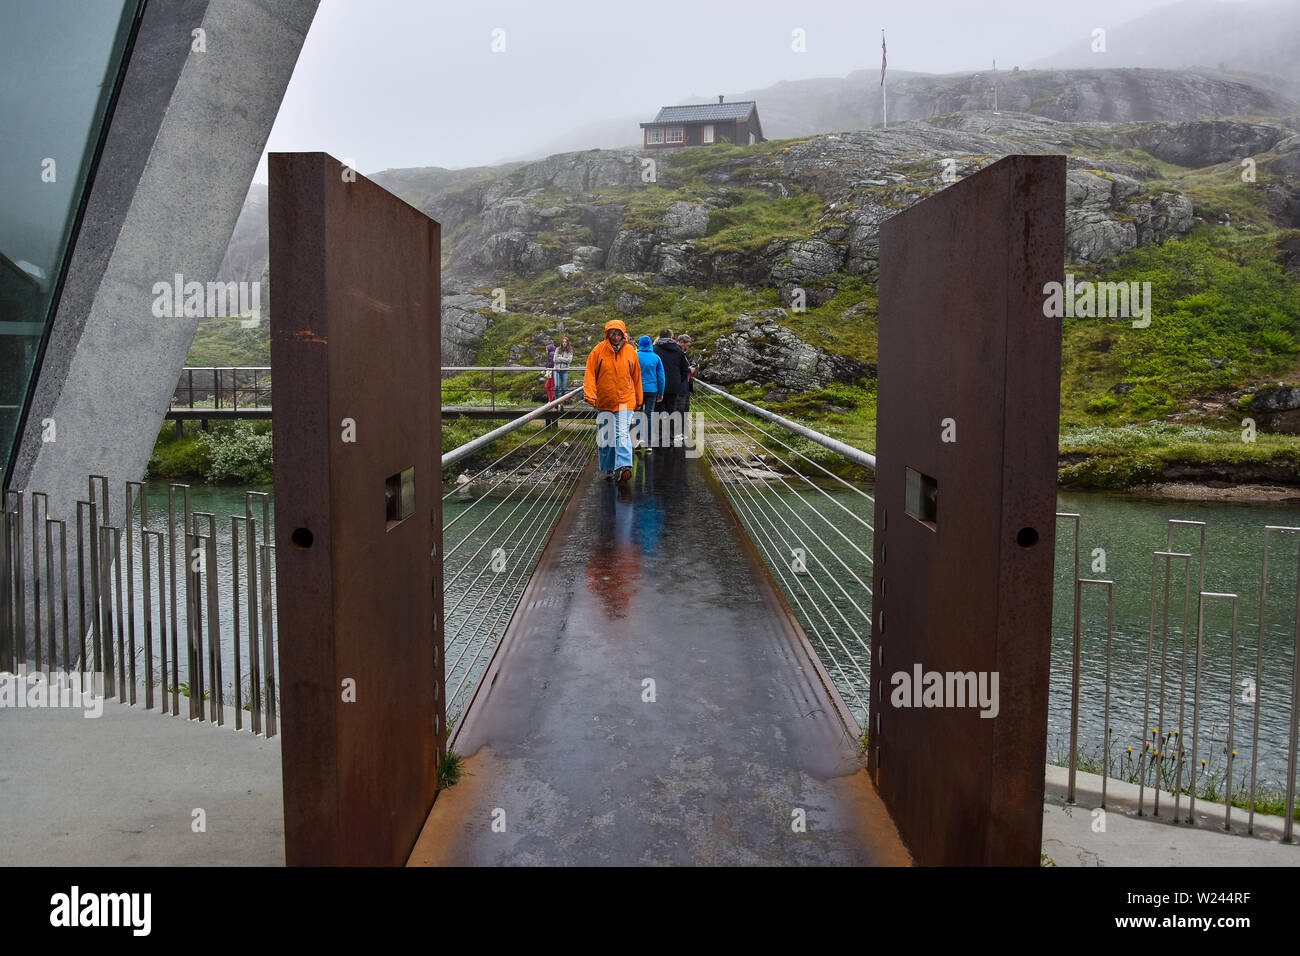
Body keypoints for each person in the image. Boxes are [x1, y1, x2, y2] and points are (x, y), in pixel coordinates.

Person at [583, 318, 642, 483]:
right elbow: (590, 374)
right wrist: (590, 394)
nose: (615, 337)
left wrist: (639, 399)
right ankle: (609, 468)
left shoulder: (631, 351)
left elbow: (636, 376)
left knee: (622, 432)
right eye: (612, 334)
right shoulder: (598, 351)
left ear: (623, 334)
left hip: (625, 399)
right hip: (604, 400)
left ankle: (624, 466)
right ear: (607, 334)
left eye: (618, 334)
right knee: (606, 435)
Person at [653, 328, 690, 447]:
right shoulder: (678, 350)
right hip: (674, 385)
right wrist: (679, 380)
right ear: (671, 337)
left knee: (658, 409)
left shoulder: (655, 349)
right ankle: (672, 437)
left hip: (658, 385)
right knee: (672, 410)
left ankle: (659, 437)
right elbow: (685, 369)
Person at [634, 335, 665, 452]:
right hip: (652, 390)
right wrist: (661, 392)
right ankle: (649, 444)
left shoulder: (635, 356)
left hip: (638, 389)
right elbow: (661, 377)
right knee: (649, 414)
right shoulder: (656, 358)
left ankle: (638, 439)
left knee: (637, 412)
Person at [553, 336, 574, 406]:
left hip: (565, 371)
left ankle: (562, 402)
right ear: (561, 343)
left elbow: (569, 361)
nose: (564, 343)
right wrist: (564, 359)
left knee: (564, 388)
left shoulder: (570, 350)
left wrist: (560, 358)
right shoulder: (557, 349)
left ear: (567, 343)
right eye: (563, 342)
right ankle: (555, 402)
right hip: (556, 370)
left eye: (565, 342)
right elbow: (554, 359)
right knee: (557, 386)